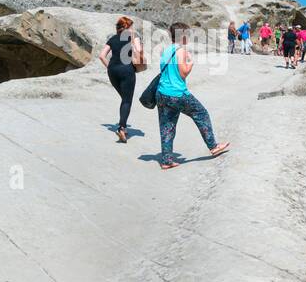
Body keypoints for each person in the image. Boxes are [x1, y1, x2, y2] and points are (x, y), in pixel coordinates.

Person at [155, 22, 230, 170]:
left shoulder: (166, 50)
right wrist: (191, 63)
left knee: (167, 126)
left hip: (161, 93)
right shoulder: (181, 51)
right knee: (201, 114)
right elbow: (183, 73)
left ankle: (166, 160)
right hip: (177, 93)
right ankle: (213, 146)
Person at [97, 15, 145, 143]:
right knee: (127, 100)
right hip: (126, 71)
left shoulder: (112, 39)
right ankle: (121, 128)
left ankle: (123, 126)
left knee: (124, 99)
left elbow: (101, 56)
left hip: (112, 71)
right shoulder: (132, 37)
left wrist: (110, 67)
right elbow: (139, 50)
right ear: (128, 27)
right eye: (132, 26)